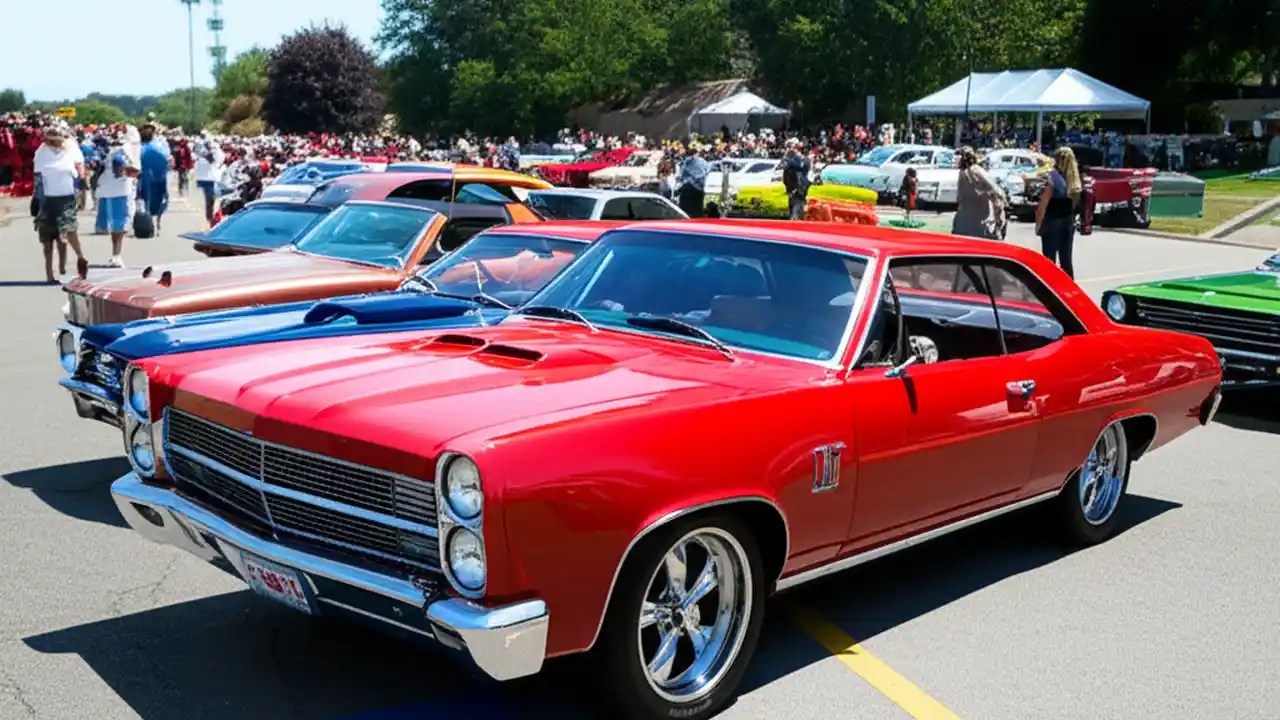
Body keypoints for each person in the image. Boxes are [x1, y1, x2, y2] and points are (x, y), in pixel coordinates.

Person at [31, 126, 88, 282]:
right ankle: (50, 274)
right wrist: (36, 199)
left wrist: (81, 182)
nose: (56, 140)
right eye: (52, 138)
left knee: (68, 233)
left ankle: (77, 260)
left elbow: (80, 164)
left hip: (67, 197)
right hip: (47, 200)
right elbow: (37, 178)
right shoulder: (41, 153)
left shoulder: (71, 148)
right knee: (47, 241)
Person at [1035, 146, 1082, 278]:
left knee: (1049, 261)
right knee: (1066, 260)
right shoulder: (1075, 180)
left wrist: (1038, 225)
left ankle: (1050, 291)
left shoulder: (1053, 178)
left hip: (1052, 221)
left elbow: (1042, 206)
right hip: (1068, 222)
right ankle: (1069, 290)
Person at [95, 129, 140, 267]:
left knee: (114, 226)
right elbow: (128, 170)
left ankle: (115, 255)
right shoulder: (125, 149)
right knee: (119, 226)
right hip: (119, 191)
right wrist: (129, 171)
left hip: (107, 189)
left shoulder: (110, 149)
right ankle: (116, 255)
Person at [951, 146, 1005, 240]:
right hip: (980, 224)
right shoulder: (976, 170)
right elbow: (997, 191)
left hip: (963, 223)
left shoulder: (962, 173)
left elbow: (959, 198)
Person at [137, 124, 170, 232]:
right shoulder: (159, 147)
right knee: (159, 199)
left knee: (145, 200)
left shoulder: (138, 149)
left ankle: (147, 221)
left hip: (144, 177)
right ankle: (157, 222)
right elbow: (166, 161)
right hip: (158, 177)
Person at [193, 133, 225, 227]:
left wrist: (209, 152)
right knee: (209, 199)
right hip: (204, 178)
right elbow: (195, 150)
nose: (208, 145)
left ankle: (211, 217)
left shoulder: (217, 151)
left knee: (212, 199)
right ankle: (210, 218)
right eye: (207, 144)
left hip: (213, 178)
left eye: (209, 144)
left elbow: (216, 159)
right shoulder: (201, 149)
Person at [675, 145, 710, 217]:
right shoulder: (703, 161)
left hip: (688, 187)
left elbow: (681, 175)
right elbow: (707, 171)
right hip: (699, 189)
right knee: (697, 210)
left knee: (686, 212)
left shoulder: (687, 161)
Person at [782, 138, 811, 220]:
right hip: (791, 193)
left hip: (799, 193)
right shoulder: (789, 159)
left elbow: (800, 166)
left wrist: (792, 157)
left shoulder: (804, 160)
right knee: (792, 214)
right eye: (788, 147)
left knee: (795, 218)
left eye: (791, 147)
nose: (789, 149)